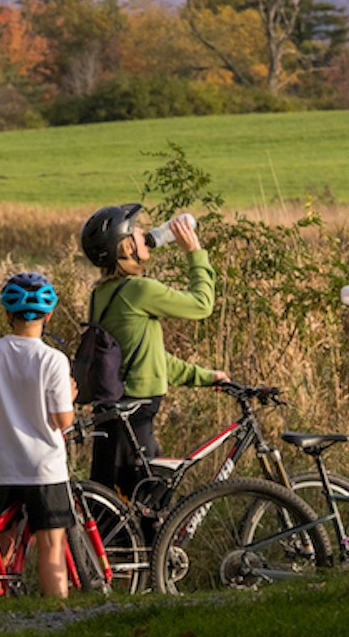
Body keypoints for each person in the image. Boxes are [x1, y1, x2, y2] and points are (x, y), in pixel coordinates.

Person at [77, 203, 228, 501]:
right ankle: (147, 548)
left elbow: (147, 356)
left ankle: (117, 548)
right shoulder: (139, 290)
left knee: (114, 500)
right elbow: (202, 304)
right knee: (146, 499)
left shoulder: (101, 294)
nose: (145, 233)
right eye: (136, 229)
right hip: (136, 409)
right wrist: (194, 251)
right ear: (127, 246)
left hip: (113, 407)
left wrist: (204, 377)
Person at [0, 271, 75, 599]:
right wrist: (70, 398)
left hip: (0, 467)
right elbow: (63, 420)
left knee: (0, 540)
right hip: (44, 469)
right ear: (48, 315)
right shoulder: (54, 360)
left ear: (8, 314)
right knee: (52, 546)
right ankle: (58, 616)